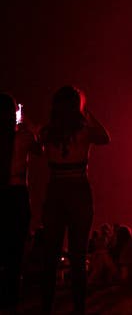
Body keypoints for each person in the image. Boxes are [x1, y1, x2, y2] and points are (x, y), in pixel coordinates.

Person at [39, 85, 110, 314]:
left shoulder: (48, 132)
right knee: (78, 256)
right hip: (78, 189)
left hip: (56, 189)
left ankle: (46, 307)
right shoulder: (84, 131)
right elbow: (105, 137)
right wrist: (87, 113)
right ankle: (79, 307)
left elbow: (36, 145)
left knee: (51, 255)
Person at [0, 93, 41, 312]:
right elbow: (40, 150)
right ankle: (12, 298)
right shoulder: (23, 136)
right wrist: (28, 126)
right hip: (16, 194)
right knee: (15, 251)